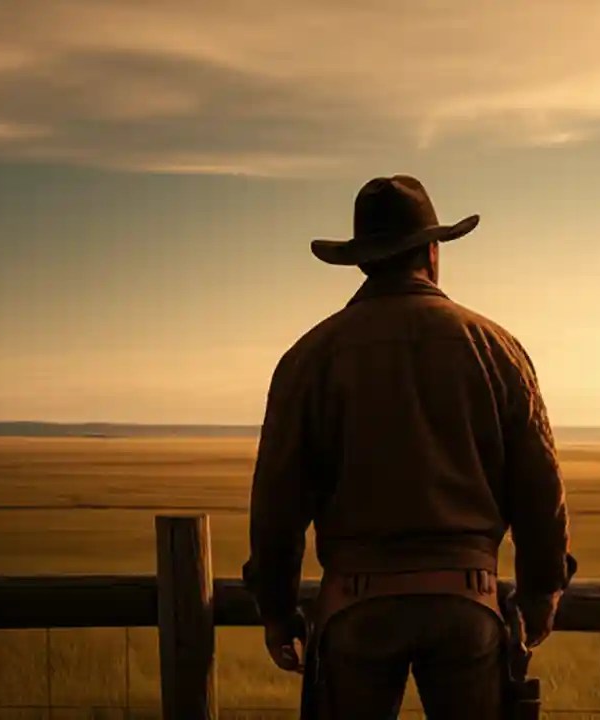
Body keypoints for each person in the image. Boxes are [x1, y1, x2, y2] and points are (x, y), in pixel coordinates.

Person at [243, 175, 576, 719]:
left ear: (362, 262)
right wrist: (541, 593)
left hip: (355, 607)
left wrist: (277, 611)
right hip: (468, 603)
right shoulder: (496, 348)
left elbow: (277, 499)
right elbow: (540, 486)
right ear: (432, 252)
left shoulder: (309, 357)